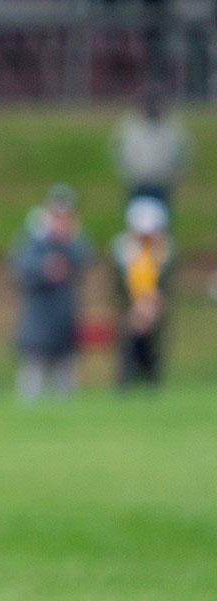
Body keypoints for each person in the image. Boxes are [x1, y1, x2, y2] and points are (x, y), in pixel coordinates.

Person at [9, 185, 91, 401]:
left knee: (65, 376)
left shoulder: (74, 238)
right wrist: (44, 269)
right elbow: (19, 268)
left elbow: (84, 260)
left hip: (64, 317)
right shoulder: (32, 237)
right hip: (37, 317)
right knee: (33, 372)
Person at [109, 196, 172, 389]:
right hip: (131, 309)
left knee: (151, 347)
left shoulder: (162, 250)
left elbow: (161, 284)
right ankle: (126, 380)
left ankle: (150, 379)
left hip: (152, 309)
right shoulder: (124, 250)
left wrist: (153, 303)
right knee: (129, 344)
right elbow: (123, 285)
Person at [112, 81, 188, 208]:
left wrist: (176, 174)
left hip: (162, 185)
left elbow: (182, 152)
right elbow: (119, 151)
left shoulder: (172, 125)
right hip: (137, 184)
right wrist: (127, 174)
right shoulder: (131, 124)